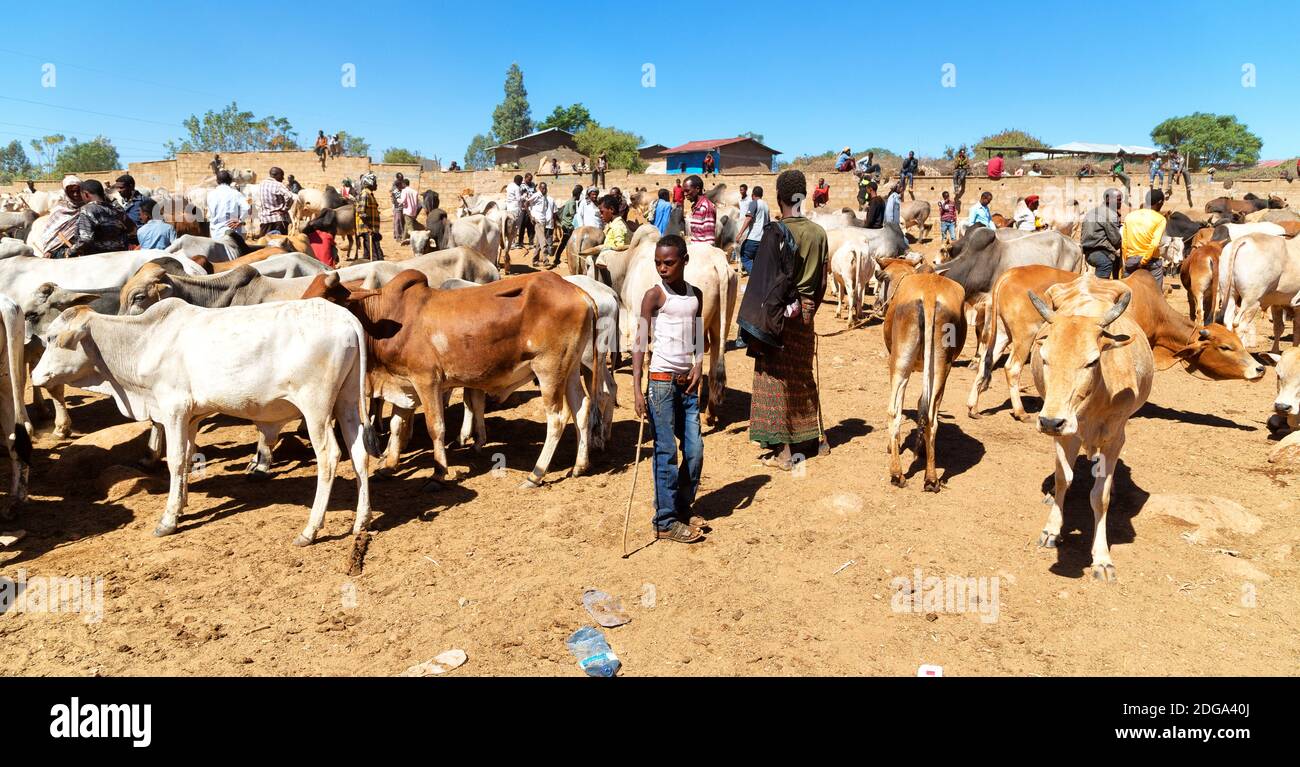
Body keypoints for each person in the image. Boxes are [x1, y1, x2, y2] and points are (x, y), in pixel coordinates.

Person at [738, 169, 829, 470]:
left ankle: (783, 452)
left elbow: (765, 283)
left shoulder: (776, 232)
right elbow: (823, 282)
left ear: (779, 198)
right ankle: (813, 440)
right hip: (806, 311)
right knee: (802, 373)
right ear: (803, 196)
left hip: (780, 314)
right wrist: (809, 307)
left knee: (773, 376)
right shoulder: (819, 233)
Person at [631, 234, 707, 543]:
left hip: (686, 382)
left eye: (669, 263)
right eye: (658, 263)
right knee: (665, 450)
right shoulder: (654, 296)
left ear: (684, 260)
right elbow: (639, 342)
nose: (663, 268)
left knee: (694, 449)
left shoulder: (696, 295)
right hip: (661, 382)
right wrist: (637, 388)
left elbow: (699, 334)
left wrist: (699, 363)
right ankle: (664, 520)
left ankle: (680, 505)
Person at [66, 179, 135, 257]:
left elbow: (86, 239)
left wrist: (70, 251)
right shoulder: (116, 209)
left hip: (99, 260)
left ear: (86, 194)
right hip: (119, 258)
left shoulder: (88, 209)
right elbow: (132, 230)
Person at [1123, 189, 1169, 289]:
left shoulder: (1130, 216)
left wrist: (1128, 260)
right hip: (1151, 263)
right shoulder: (1160, 219)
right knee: (1156, 295)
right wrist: (1143, 261)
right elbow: (1154, 244)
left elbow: (1124, 243)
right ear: (1160, 202)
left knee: (1127, 293)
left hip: (1131, 260)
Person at [1081, 188, 1123, 279]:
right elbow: (1116, 240)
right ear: (1108, 199)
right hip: (1100, 253)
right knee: (1101, 283)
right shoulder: (1110, 214)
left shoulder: (1091, 212)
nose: (1120, 202)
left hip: (1088, 253)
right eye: (1118, 200)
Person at [39, 175, 85, 258]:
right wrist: (49, 249)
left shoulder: (89, 207)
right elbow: (50, 234)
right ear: (66, 192)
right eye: (71, 192)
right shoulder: (59, 210)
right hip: (64, 249)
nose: (75, 194)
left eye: (78, 191)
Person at [207, 170, 250, 257]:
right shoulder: (235, 194)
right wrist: (240, 221)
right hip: (232, 234)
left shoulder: (210, 195)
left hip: (216, 234)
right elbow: (247, 208)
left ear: (217, 181)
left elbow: (209, 214)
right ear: (230, 181)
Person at [735, 185, 769, 276]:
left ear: (753, 195)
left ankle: (756, 277)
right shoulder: (766, 205)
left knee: (744, 257)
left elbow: (748, 219)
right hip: (763, 239)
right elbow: (767, 223)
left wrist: (740, 233)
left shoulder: (754, 203)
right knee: (756, 260)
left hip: (753, 238)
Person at [256, 166, 297, 237]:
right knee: (280, 246)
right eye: (282, 176)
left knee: (264, 245)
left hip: (265, 220)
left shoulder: (261, 184)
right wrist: (284, 209)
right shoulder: (278, 185)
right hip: (279, 220)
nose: (283, 178)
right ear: (276, 175)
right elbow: (290, 196)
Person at [354, 173, 382, 261]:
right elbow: (361, 212)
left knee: (368, 254)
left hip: (371, 229)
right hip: (368, 229)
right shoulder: (365, 194)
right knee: (375, 255)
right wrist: (368, 227)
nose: (376, 184)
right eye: (375, 182)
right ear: (369, 182)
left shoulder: (370, 195)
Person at [530, 181, 557, 267]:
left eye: (545, 188)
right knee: (543, 242)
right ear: (539, 188)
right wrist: (531, 216)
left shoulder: (545, 198)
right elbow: (526, 203)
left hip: (543, 221)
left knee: (538, 242)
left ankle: (535, 260)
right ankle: (545, 260)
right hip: (538, 222)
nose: (544, 190)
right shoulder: (536, 195)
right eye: (542, 188)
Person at [684, 175, 715, 244]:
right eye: (684, 191)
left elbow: (709, 240)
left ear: (697, 189)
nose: (685, 194)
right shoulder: (696, 206)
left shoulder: (706, 207)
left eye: (687, 191)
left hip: (701, 252)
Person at [556, 184, 582, 256]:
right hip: (568, 225)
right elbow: (572, 214)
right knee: (569, 242)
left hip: (565, 224)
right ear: (578, 195)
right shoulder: (572, 202)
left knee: (565, 241)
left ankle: (558, 257)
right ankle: (564, 256)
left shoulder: (569, 201)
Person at [399, 178, 421, 245]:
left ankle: (414, 241)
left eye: (402, 184)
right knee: (407, 225)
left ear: (404, 184)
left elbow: (402, 201)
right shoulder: (415, 191)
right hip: (414, 211)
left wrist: (397, 200)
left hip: (407, 211)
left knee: (410, 227)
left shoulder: (404, 191)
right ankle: (404, 239)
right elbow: (417, 202)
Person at [390, 172, 407, 242]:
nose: (401, 179)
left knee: (401, 221)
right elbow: (393, 197)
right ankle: (397, 235)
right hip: (397, 206)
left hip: (402, 206)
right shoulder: (395, 185)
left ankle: (400, 234)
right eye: (400, 178)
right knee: (397, 221)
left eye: (402, 178)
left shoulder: (403, 184)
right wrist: (396, 204)